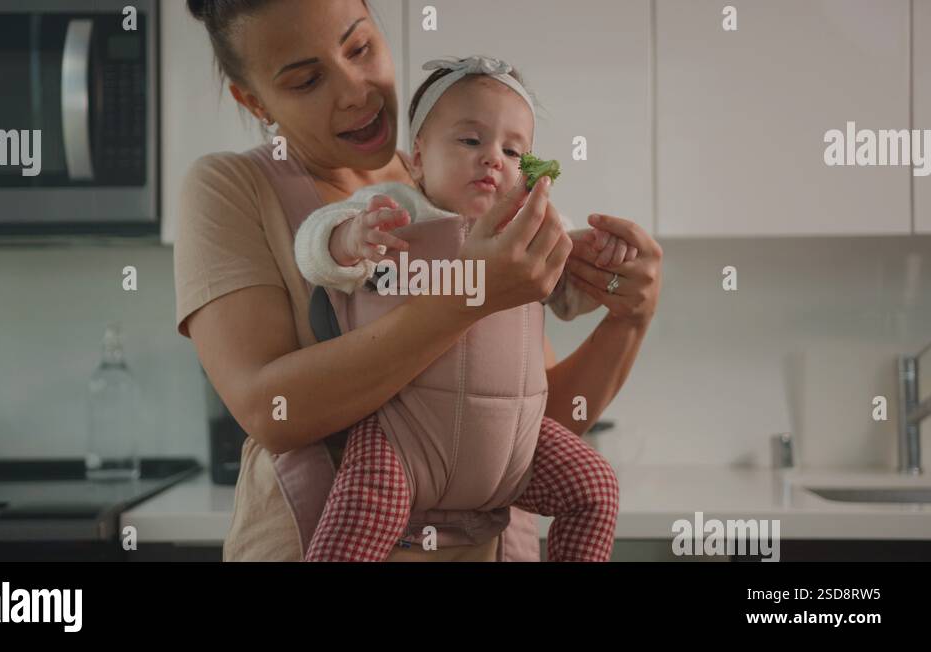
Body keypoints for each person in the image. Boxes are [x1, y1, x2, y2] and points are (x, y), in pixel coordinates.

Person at [175, 0, 663, 561]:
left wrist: (629, 317)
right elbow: (272, 412)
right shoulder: (234, 188)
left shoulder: (467, 194)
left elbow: (531, 421)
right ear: (254, 99)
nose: (356, 91)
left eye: (360, 48)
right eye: (308, 79)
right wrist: (468, 294)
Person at [296, 55, 634, 561]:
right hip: (404, 436)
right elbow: (312, 251)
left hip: (511, 443)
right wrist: (350, 237)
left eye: (513, 150)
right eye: (471, 141)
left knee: (595, 487)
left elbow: (567, 301)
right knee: (360, 516)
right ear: (416, 158)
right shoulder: (395, 208)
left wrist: (598, 264)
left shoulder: (533, 227)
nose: (494, 159)